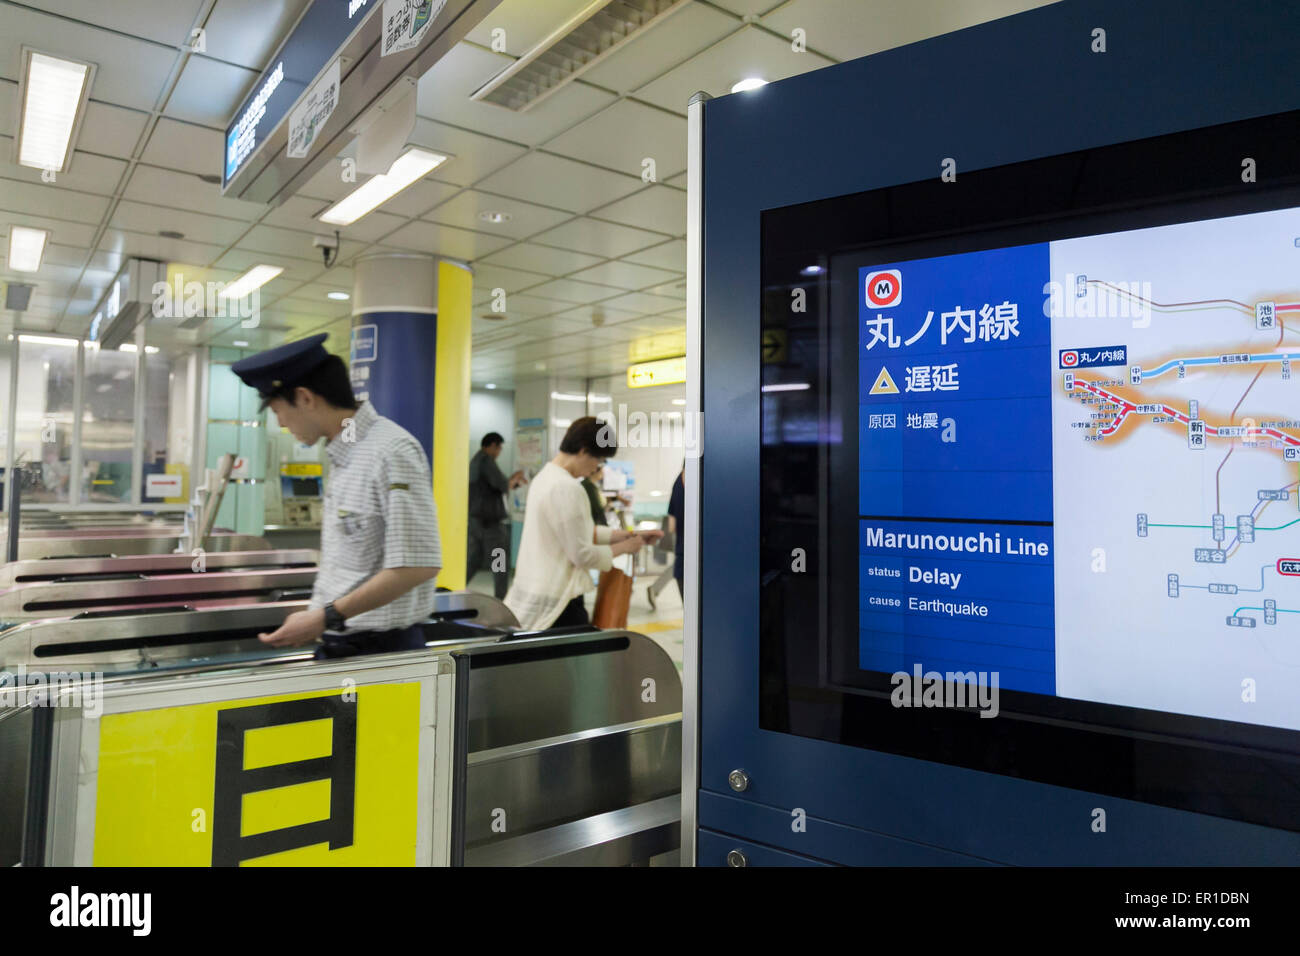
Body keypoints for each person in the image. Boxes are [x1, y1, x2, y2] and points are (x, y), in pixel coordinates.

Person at [230, 333, 442, 657]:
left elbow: (417, 565)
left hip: (382, 654)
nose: (281, 423)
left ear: (304, 398)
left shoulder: (391, 452)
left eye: (277, 411)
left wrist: (325, 617)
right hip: (341, 643)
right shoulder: (345, 454)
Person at [505, 417, 661, 630]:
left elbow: (574, 533)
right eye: (599, 460)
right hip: (561, 603)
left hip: (537, 591)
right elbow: (582, 555)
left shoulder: (544, 478)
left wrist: (623, 536)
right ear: (582, 450)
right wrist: (627, 547)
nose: (597, 467)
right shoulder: (568, 487)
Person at [467, 432, 524, 599]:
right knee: (499, 560)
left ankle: (454, 588)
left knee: (474, 559)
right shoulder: (486, 461)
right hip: (490, 523)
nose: (499, 452)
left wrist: (509, 483)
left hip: (477, 521)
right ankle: (501, 597)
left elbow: (495, 486)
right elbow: (500, 484)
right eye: (499, 448)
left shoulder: (476, 461)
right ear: (492, 446)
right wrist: (513, 480)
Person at [647, 463, 685, 609]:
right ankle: (655, 588)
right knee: (681, 565)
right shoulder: (682, 483)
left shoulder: (678, 482)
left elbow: (671, 514)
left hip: (681, 535)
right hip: (684, 537)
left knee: (680, 564)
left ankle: (655, 588)